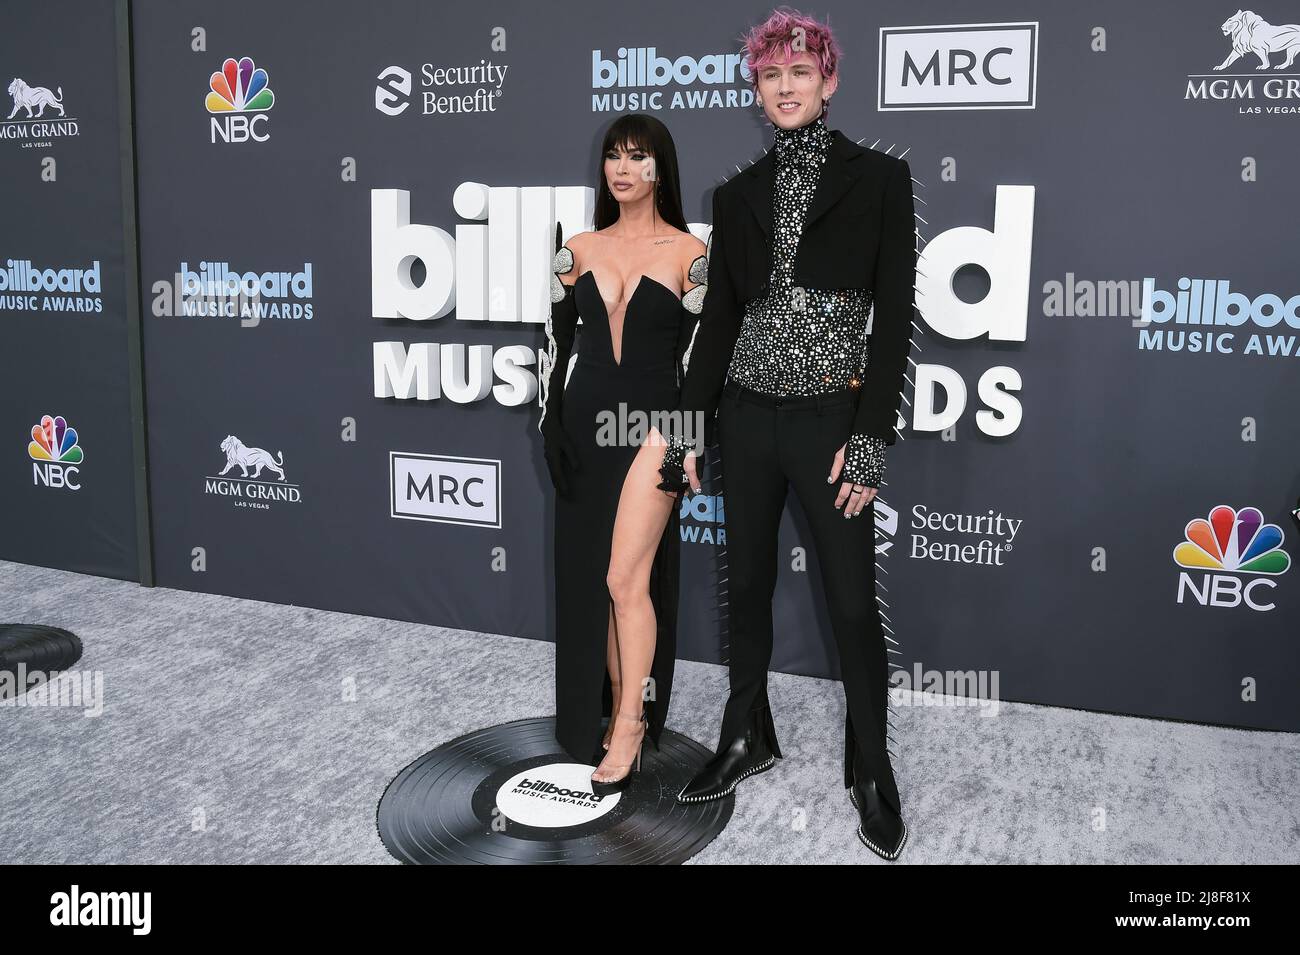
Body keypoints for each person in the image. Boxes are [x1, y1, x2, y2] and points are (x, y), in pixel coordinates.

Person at [657, 7, 917, 859]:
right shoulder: (733, 197)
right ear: (757, 89)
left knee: (850, 601)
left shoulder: (879, 181)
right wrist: (691, 428)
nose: (786, 87)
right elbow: (721, 319)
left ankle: (871, 765)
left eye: (800, 73)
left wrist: (871, 436)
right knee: (746, 588)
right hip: (747, 417)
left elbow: (892, 321)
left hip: (829, 423)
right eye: (771, 76)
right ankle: (746, 734)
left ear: (829, 81)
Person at [538, 113, 707, 795]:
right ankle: (613, 703)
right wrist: (549, 422)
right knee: (598, 584)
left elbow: (703, 362)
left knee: (624, 579)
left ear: (660, 167)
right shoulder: (574, 250)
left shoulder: (691, 255)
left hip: (657, 427)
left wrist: (690, 439)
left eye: (638, 156)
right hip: (584, 425)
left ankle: (631, 726)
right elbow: (551, 345)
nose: (623, 167)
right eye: (614, 155)